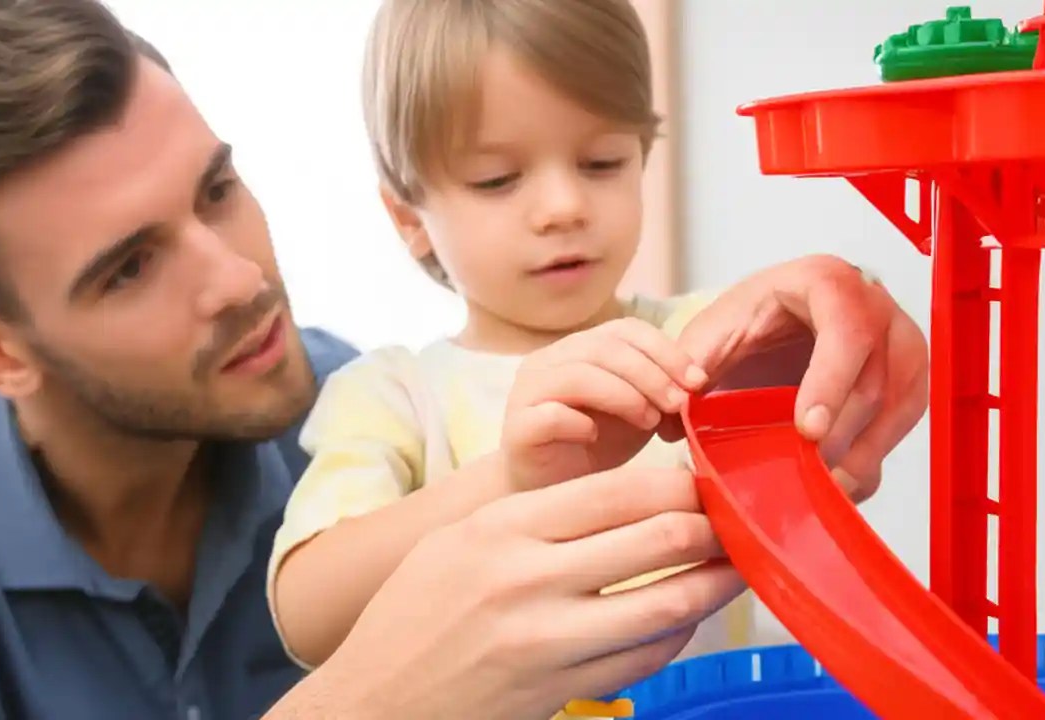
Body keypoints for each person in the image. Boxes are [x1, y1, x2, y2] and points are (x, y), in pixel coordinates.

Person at [0, 1, 928, 719]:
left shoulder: (323, 392)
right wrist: (376, 695)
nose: (236, 279)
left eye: (217, 190)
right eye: (131, 266)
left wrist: (848, 341)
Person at [267, 0, 759, 691]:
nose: (563, 206)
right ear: (410, 219)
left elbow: (815, 354)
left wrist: (825, 295)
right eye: (497, 179)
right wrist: (508, 480)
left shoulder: (696, 338)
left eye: (601, 162)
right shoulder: (392, 397)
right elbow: (307, 614)